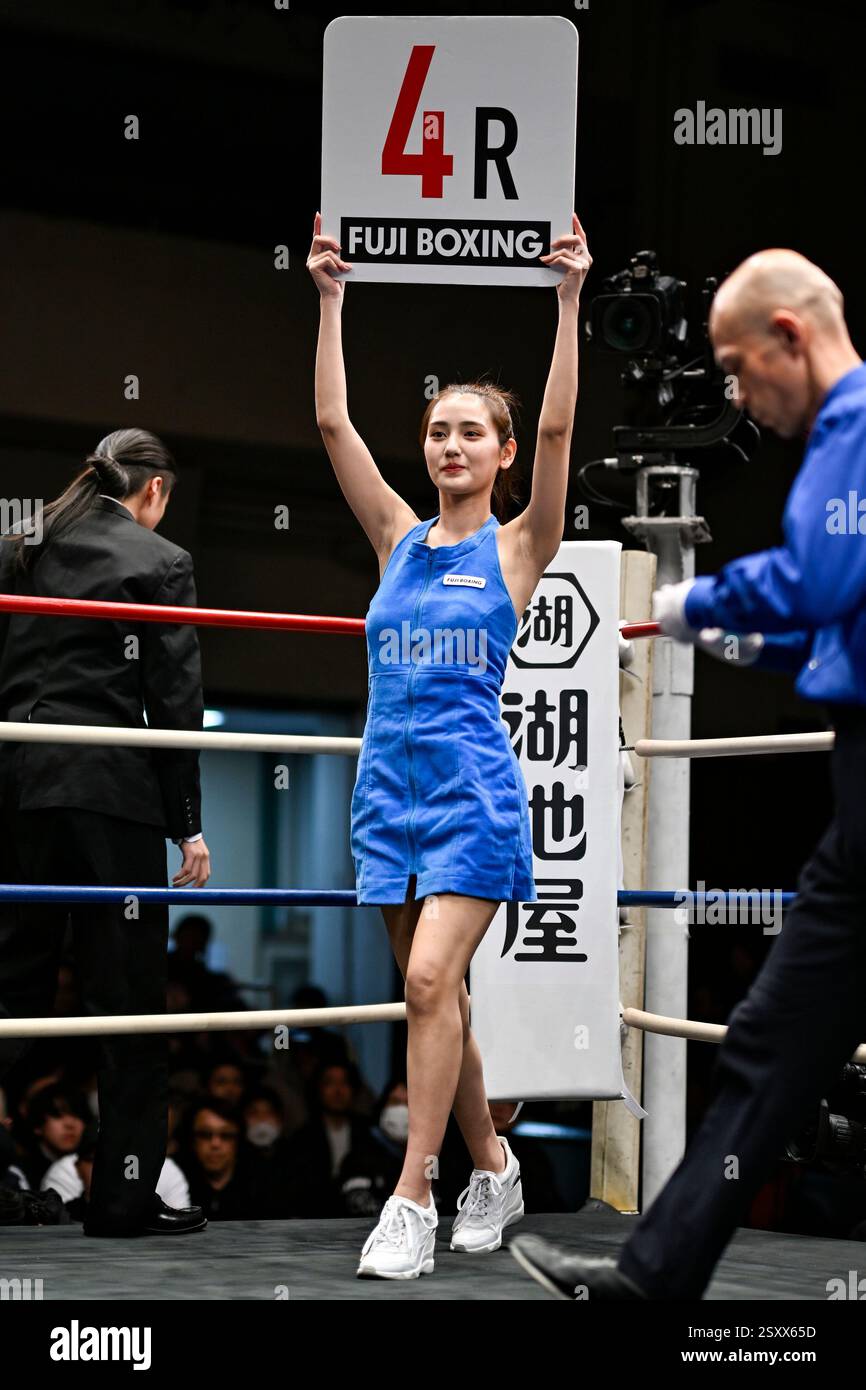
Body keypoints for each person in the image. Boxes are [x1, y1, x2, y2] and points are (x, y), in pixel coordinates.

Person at [510, 248, 866, 1299]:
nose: (735, 395)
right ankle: (654, 1275)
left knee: (777, 1033)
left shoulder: (854, 424)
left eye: (738, 367)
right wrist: (770, 651)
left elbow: (819, 577)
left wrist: (695, 604)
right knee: (770, 1036)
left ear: (788, 338)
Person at [307, 209, 592, 1277]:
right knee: (438, 999)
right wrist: (331, 296)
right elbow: (334, 426)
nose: (449, 444)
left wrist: (567, 299)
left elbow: (561, 435)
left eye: (471, 431)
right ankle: (494, 1163)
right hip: (385, 792)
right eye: (437, 430)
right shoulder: (392, 535)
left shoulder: (521, 545)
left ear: (501, 452)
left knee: (430, 980)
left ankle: (411, 1195)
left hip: (471, 793)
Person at [0, 429, 211, 1237]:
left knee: (13, 993)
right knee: (126, 1007)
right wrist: (187, 826)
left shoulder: (25, 537)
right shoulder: (159, 561)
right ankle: (122, 1202)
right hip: (109, 796)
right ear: (153, 491)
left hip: (19, 788)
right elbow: (175, 701)